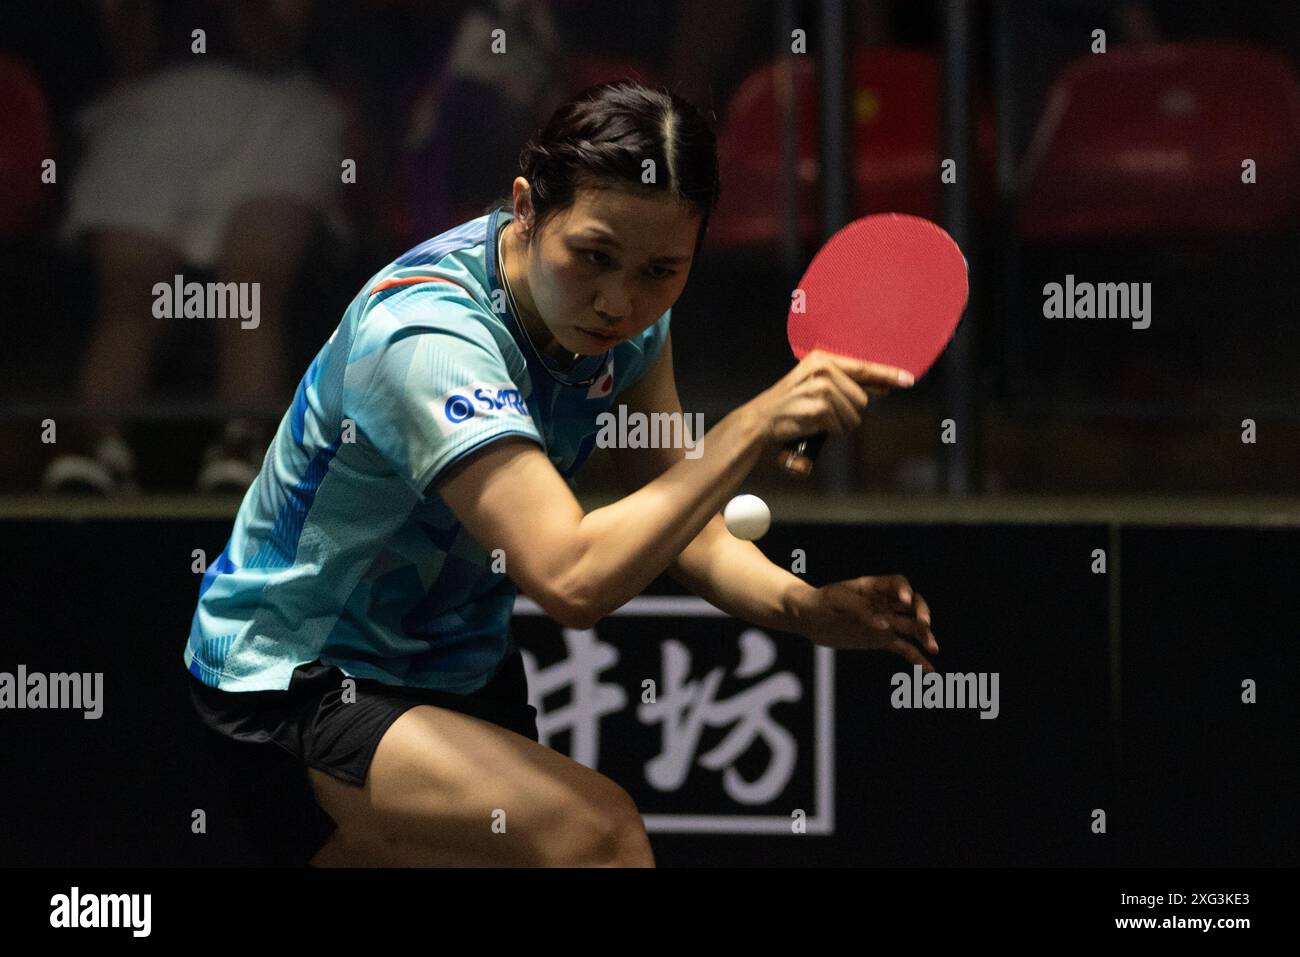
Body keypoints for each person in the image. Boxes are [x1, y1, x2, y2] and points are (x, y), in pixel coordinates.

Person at [183, 79, 938, 867]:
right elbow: (571, 576)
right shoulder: (426, 339)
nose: (619, 301)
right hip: (299, 674)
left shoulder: (635, 330)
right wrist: (750, 428)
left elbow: (687, 523)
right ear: (526, 206)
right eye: (595, 256)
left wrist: (800, 605)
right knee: (595, 836)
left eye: (660, 270)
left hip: (455, 675)